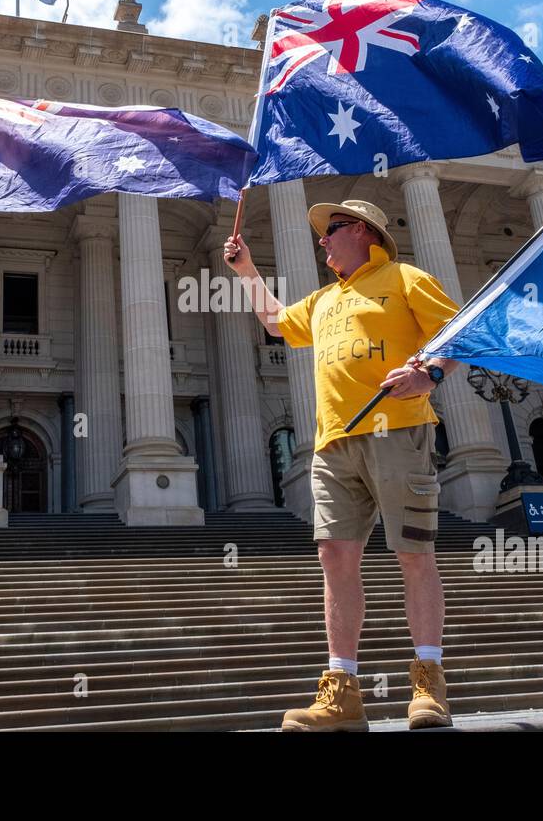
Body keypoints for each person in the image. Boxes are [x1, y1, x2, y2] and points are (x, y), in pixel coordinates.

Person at [224, 199, 461, 731]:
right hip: (332, 441)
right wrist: (247, 271)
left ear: (361, 231)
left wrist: (430, 376)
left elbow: (454, 335)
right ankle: (342, 692)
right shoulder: (325, 298)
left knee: (413, 552)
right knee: (334, 557)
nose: (323, 240)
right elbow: (277, 324)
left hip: (398, 429)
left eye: (331, 230)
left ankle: (429, 680)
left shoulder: (405, 278)